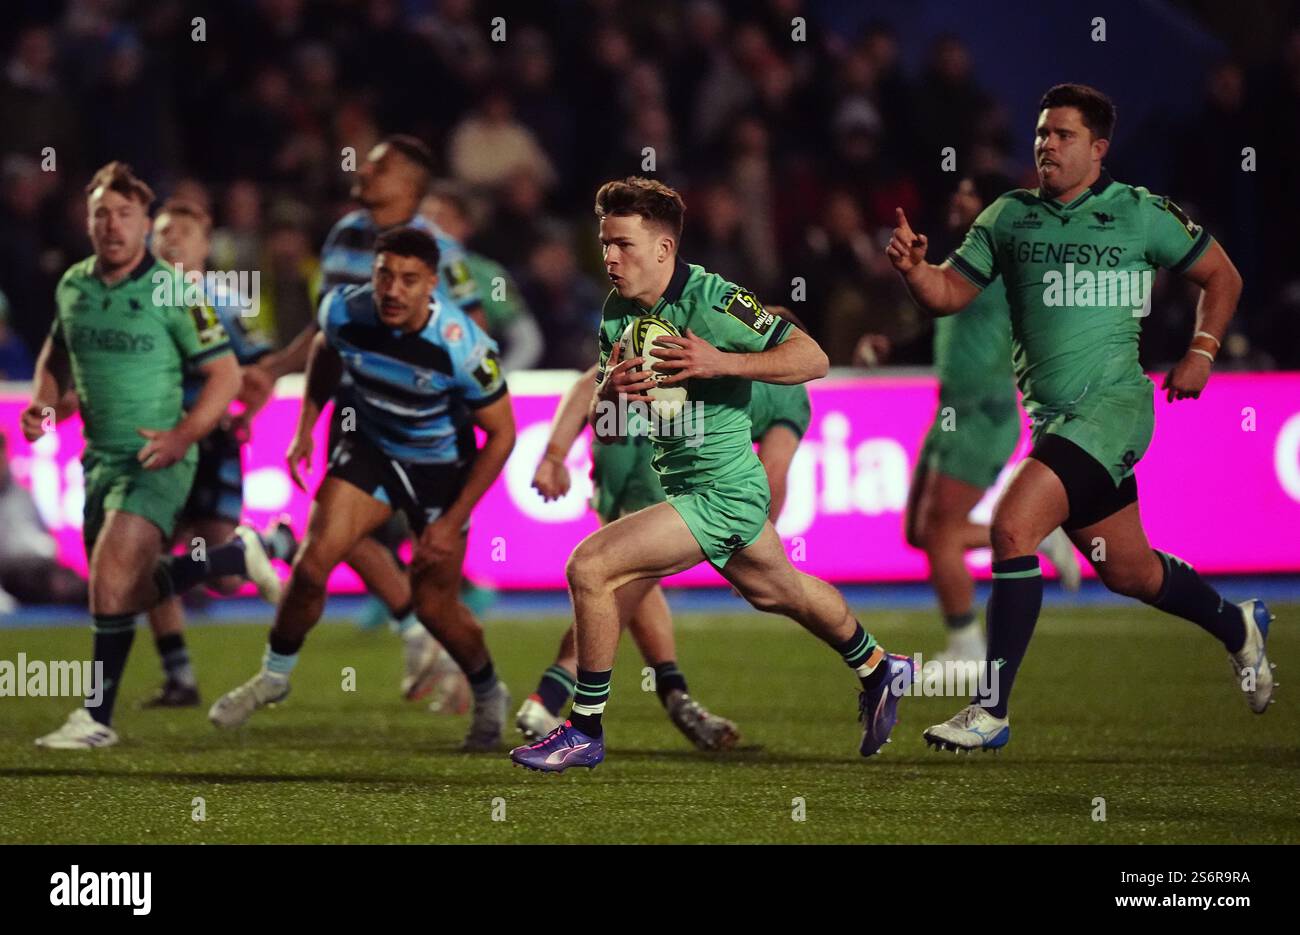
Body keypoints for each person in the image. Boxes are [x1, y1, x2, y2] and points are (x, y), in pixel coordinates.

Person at [885, 84, 1270, 752]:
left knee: (1012, 526)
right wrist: (917, 272)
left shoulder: (1138, 213)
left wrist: (1202, 351)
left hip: (1115, 408)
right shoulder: (1008, 217)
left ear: (1098, 149)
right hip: (1055, 422)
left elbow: (1223, 276)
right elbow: (949, 293)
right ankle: (1238, 626)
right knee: (1131, 571)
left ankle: (990, 708)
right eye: (1040, 132)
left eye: (1062, 134)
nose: (1046, 144)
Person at [510, 177, 911, 772]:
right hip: (688, 489)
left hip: (723, 493)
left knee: (590, 567)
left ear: (665, 250)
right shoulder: (617, 311)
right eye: (604, 244)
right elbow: (617, 426)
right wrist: (609, 392)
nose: (609, 258)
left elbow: (815, 358)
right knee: (779, 591)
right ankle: (880, 665)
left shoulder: (716, 300)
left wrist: (720, 360)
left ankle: (582, 729)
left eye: (622, 244)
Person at [208, 227, 517, 752]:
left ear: (431, 287)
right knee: (312, 564)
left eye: (409, 280)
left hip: (439, 468)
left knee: (435, 607)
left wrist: (449, 520)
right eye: (384, 275)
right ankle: (275, 676)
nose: (393, 290)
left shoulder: (460, 346)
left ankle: (490, 694)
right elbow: (327, 350)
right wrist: (307, 422)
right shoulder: (343, 310)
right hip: (371, 450)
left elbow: (504, 433)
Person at [256, 136, 479, 702]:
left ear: (407, 183)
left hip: (426, 419)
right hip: (356, 407)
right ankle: (419, 640)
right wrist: (279, 370)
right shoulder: (344, 233)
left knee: (431, 565)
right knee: (336, 533)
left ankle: (453, 662)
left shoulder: (440, 251)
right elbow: (327, 328)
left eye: (378, 165)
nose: (363, 169)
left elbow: (474, 330)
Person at [26, 162, 240, 749]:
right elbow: (54, 358)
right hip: (100, 461)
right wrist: (44, 405)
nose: (112, 224)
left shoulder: (175, 290)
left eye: (125, 214)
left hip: (158, 460)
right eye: (101, 213)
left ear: (146, 223)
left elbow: (226, 374)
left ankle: (96, 718)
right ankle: (235, 559)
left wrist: (183, 436)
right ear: (88, 221)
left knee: (110, 577)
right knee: (122, 587)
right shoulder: (73, 286)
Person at [520, 346, 812, 749]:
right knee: (615, 584)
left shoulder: (704, 337)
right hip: (674, 464)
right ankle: (548, 697)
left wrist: (554, 455)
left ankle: (677, 699)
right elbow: (773, 472)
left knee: (632, 578)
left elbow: (591, 382)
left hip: (617, 447)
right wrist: (758, 549)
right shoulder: (788, 388)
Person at [891, 175, 1081, 664]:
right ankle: (1038, 537)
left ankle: (966, 648)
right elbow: (939, 315)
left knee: (940, 535)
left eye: (972, 193)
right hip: (952, 413)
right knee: (918, 532)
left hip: (984, 414)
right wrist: (889, 345)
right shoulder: (966, 262)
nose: (959, 199)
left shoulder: (1006, 261)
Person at [140, 198, 296, 708]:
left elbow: (259, 370)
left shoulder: (221, 300)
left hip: (211, 448)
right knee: (149, 559)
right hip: (158, 448)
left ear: (206, 245)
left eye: (184, 230)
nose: (171, 239)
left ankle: (270, 545)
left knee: (225, 580)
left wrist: (244, 415)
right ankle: (180, 677)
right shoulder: (138, 298)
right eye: (163, 230)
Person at [0, 430, 88, 609]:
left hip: (38, 566)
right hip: (11, 573)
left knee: (71, 582)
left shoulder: (22, 495)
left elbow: (44, 535)